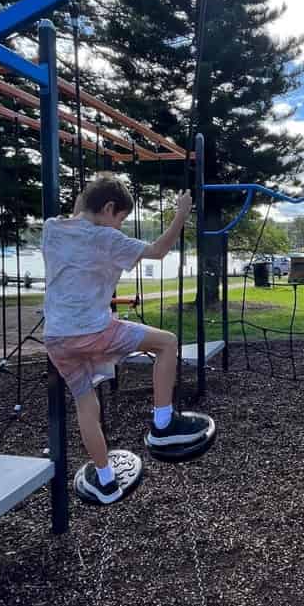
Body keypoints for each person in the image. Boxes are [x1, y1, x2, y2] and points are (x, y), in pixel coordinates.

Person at [41, 174, 212, 504]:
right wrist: (182, 212)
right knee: (167, 342)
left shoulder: (52, 228)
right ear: (108, 209)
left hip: (56, 339)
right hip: (91, 330)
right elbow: (159, 251)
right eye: (121, 218)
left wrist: (95, 188)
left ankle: (105, 481)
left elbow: (81, 206)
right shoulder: (107, 239)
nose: (120, 226)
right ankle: (163, 425)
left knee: (84, 402)